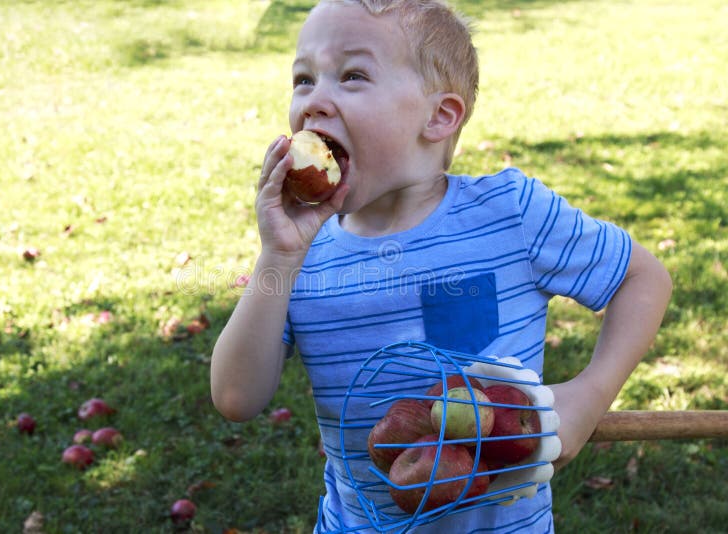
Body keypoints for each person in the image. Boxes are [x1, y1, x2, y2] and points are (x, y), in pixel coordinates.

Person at [210, 0, 672, 531]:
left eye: (353, 75)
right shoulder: (302, 254)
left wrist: (590, 396)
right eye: (303, 79)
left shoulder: (510, 214)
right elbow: (235, 397)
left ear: (439, 116)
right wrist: (278, 255)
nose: (314, 101)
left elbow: (644, 279)